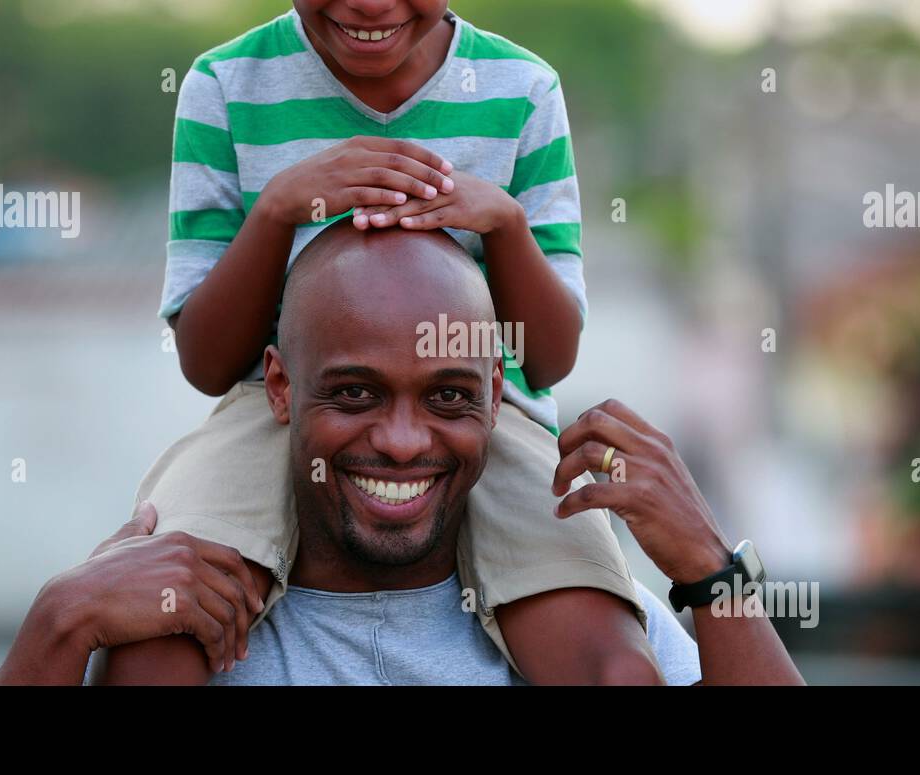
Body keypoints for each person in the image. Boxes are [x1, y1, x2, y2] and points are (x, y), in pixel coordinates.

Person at [0, 223, 804, 686]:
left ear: (496, 391)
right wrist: (56, 625)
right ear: (278, 386)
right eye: (354, 393)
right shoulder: (184, 628)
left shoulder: (589, 619)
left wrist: (711, 570)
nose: (404, 440)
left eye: (449, 395)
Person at [145, 0, 651, 682]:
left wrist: (503, 226)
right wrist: (277, 209)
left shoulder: (522, 91)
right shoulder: (226, 86)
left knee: (611, 662)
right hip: (277, 411)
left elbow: (549, 357)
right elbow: (207, 363)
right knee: (157, 628)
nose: (371, 5)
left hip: (482, 418)